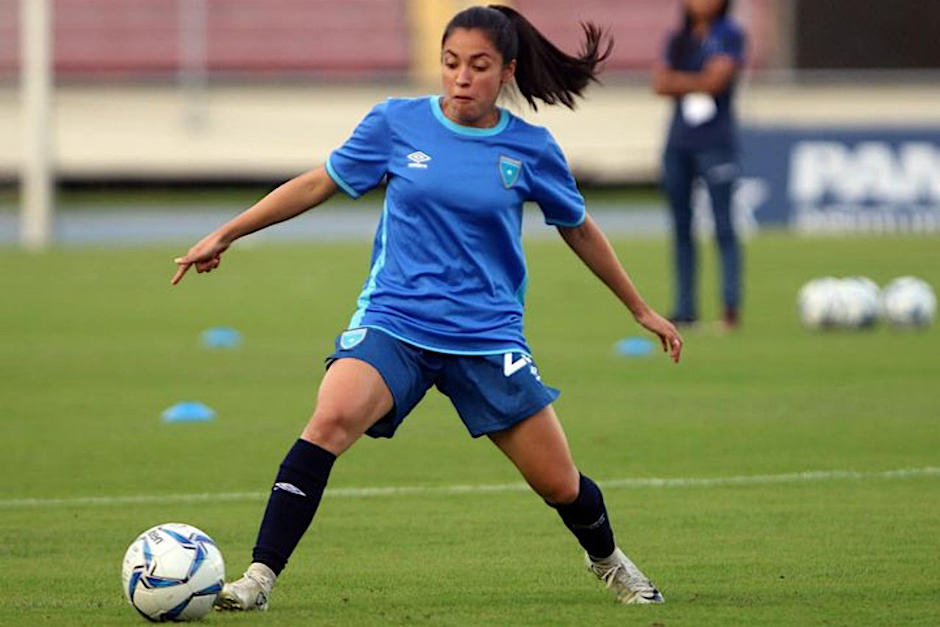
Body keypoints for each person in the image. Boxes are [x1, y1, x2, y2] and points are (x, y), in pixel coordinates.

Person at [171, 4, 683, 611]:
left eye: (479, 66)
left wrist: (639, 308)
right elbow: (317, 183)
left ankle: (610, 562)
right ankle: (258, 579)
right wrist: (227, 233)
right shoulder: (396, 123)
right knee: (330, 421)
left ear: (507, 71)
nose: (462, 77)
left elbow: (578, 228)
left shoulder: (531, 148)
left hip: (486, 337)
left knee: (559, 482)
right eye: (451, 62)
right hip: (396, 321)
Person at [653, 0, 747, 329]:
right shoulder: (678, 38)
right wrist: (699, 79)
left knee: (723, 225)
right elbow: (660, 84)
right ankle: (685, 308)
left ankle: (730, 306)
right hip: (678, 142)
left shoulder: (730, 34)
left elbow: (716, 82)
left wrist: (680, 81)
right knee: (681, 227)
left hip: (715, 142)